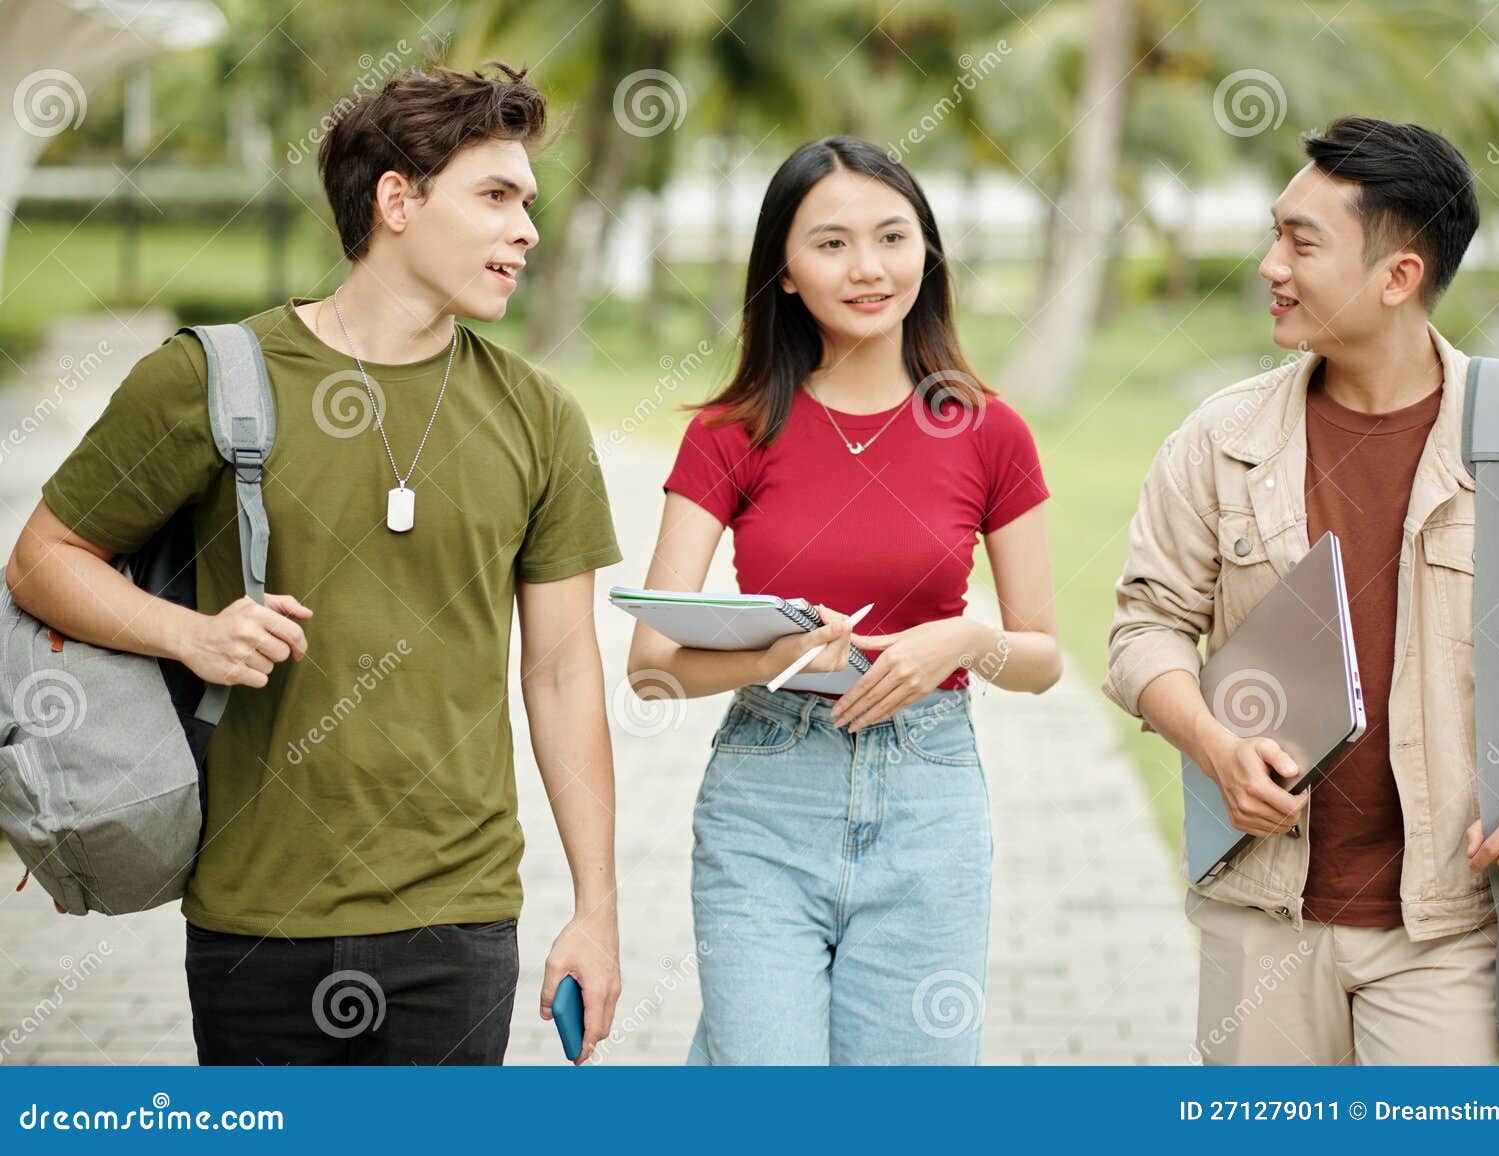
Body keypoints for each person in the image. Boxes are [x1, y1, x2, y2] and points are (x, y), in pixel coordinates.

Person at [4, 62, 624, 1065]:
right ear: (396, 200)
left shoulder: (537, 415)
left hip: (457, 922)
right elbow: (42, 561)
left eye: (530, 202)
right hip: (255, 916)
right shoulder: (208, 379)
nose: (528, 230)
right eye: (497, 196)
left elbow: (560, 670)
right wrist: (191, 633)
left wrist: (596, 911)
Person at [1104, 116, 1499, 1064]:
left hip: (1450, 922)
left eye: (1301, 241)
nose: (1268, 265)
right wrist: (1214, 746)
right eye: (1274, 232)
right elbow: (1145, 629)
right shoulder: (1220, 439)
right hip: (1260, 912)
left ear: (1398, 276)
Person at [627, 135, 1062, 1064]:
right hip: (764, 799)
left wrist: (960, 636)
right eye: (830, 244)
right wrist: (778, 656)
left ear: (927, 253)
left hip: (929, 798)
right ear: (782, 271)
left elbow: (1042, 659)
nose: (868, 269)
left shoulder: (991, 432)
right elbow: (652, 665)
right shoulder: (726, 435)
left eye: (892, 238)